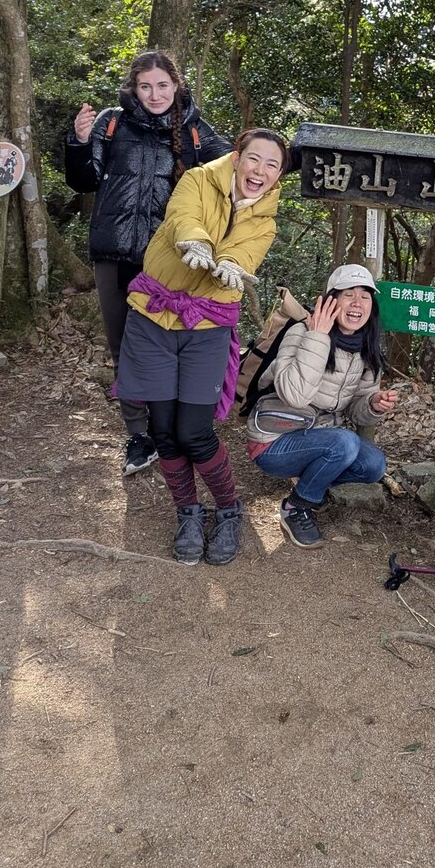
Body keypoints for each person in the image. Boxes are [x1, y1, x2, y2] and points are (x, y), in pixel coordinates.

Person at [116, 129, 289, 566]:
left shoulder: (265, 220)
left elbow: (243, 255)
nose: (260, 171)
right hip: (154, 315)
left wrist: (227, 263)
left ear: (279, 175)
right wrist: (195, 241)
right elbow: (182, 216)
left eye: (272, 165)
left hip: (208, 325)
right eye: (254, 159)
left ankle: (229, 509)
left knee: (194, 430)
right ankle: (188, 513)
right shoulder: (196, 179)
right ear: (237, 157)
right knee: (164, 430)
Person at [64, 50, 228, 476]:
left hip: (170, 259)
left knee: (171, 341)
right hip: (115, 253)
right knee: (125, 345)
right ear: (133, 88)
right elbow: (83, 180)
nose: (154, 94)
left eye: (162, 85)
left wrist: (286, 158)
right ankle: (139, 433)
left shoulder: (195, 130)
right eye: (145, 86)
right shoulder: (111, 122)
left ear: (176, 86)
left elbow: (237, 170)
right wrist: (80, 142)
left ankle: (174, 430)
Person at [246, 264, 398, 548]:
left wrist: (373, 404)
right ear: (330, 300)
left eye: (365, 296)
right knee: (344, 443)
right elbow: (294, 395)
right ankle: (295, 507)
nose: (357, 303)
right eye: (348, 294)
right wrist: (318, 337)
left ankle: (309, 485)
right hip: (274, 440)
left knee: (374, 466)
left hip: (320, 436)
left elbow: (355, 409)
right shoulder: (302, 332)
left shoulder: (367, 347)